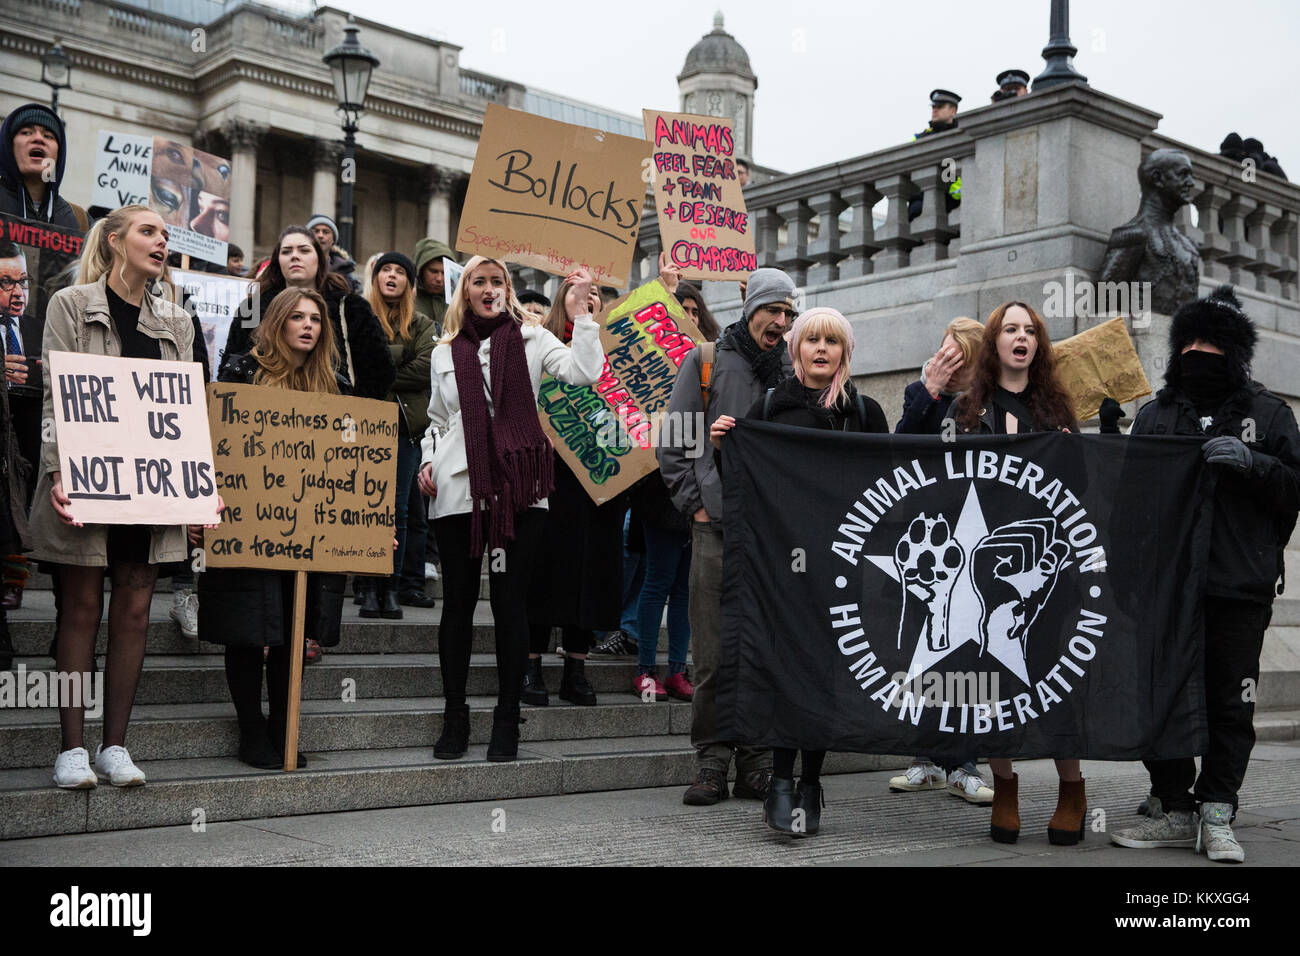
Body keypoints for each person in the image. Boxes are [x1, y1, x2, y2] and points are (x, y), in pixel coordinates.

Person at [31, 205, 220, 789]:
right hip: (89, 482)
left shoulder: (179, 323)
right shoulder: (69, 305)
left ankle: (115, 745)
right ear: (114, 241)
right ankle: (71, 748)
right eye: (148, 231)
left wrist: (198, 487)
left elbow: (185, 413)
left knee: (135, 612)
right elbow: (57, 399)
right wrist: (61, 471)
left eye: (165, 234)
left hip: (148, 489)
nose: (161, 241)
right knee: (80, 610)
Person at [1110, 286, 1300, 863]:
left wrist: (1255, 463)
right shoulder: (1157, 414)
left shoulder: (1268, 414)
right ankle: (1174, 805)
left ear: (1234, 353)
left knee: (1230, 703)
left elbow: (1295, 486)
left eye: (1212, 344)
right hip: (1164, 589)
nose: (1199, 352)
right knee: (1159, 698)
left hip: (1237, 588)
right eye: (1189, 342)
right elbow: (1127, 505)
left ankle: (1218, 812)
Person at [417, 258, 604, 761]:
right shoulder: (443, 352)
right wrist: (428, 460)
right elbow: (436, 420)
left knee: (510, 604)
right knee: (457, 603)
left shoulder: (534, 338)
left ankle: (506, 720)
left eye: (497, 281)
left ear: (507, 290)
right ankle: (455, 717)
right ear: (465, 291)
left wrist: (581, 312)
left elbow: (586, 373)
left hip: (521, 489)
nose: (488, 288)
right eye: (478, 281)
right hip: (457, 489)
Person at [712, 306, 888, 834]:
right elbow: (745, 488)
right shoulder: (767, 408)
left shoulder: (866, 413)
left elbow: (888, 489)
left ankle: (811, 780)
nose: (820, 350)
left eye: (831, 342)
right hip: (785, 571)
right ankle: (782, 781)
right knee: (788, 673)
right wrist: (726, 446)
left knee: (827, 678)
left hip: (843, 572)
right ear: (795, 350)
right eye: (811, 339)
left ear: (844, 352)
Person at [946, 301, 1085, 845]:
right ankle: (1005, 787)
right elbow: (935, 478)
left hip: (1047, 567)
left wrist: (1082, 453)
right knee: (996, 680)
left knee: (1055, 680)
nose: (1021, 338)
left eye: (1030, 331)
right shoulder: (967, 409)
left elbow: (1081, 495)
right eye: (1010, 329)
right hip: (986, 569)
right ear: (994, 343)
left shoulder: (1057, 410)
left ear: (1038, 345)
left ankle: (1071, 787)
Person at [659, 267, 797, 806]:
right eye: (774, 311)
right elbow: (674, 442)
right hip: (716, 530)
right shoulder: (707, 360)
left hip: (773, 535)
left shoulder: (794, 367)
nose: (781, 323)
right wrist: (697, 505)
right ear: (752, 309)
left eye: (788, 314)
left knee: (762, 650)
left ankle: (758, 762)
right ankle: (712, 762)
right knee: (713, 653)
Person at [198, 287, 349, 769]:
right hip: (249, 523)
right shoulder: (243, 371)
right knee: (248, 628)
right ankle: (250, 730)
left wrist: (366, 527)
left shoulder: (337, 385)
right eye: (298, 317)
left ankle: (282, 729)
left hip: (310, 532)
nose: (309, 326)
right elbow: (215, 443)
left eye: (316, 319)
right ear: (278, 322)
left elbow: (353, 465)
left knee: (293, 628)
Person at [889, 315, 993, 804]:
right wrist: (929, 392)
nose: (944, 359)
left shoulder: (987, 405)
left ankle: (966, 763)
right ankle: (924, 759)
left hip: (974, 541)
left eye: (955, 354)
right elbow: (901, 449)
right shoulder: (918, 391)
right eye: (941, 349)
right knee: (925, 650)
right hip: (925, 548)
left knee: (969, 651)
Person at [522, 272, 620, 708]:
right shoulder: (538, 345)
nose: (588, 300)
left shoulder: (614, 349)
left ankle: (576, 669)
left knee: (589, 573)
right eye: (581, 293)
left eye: (595, 295)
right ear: (564, 299)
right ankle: (531, 665)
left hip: (599, 477)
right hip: (547, 475)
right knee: (542, 570)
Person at [360, 252, 436, 617]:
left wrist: (380, 365)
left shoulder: (421, 322)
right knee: (364, 507)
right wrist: (397, 361)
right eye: (385, 270)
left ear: (409, 282)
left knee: (398, 512)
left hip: (405, 429)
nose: (392, 276)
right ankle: (369, 587)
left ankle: (390, 587)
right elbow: (352, 364)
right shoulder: (359, 316)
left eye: (400, 271)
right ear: (375, 277)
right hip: (363, 425)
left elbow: (426, 368)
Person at [909, 89, 962, 220]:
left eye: (940, 106)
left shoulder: (961, 135)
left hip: (952, 202)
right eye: (933, 107)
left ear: (953, 111)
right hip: (920, 201)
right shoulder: (919, 138)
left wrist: (956, 194)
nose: (935, 110)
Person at [306, 213, 359, 291]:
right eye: (316, 231)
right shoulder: (297, 265)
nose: (320, 235)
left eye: (325, 232)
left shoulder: (345, 271)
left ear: (333, 240)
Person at [413, 238, 456, 332]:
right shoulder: (407, 299)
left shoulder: (456, 301)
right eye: (433, 271)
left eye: (444, 273)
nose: (439, 279)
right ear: (421, 270)